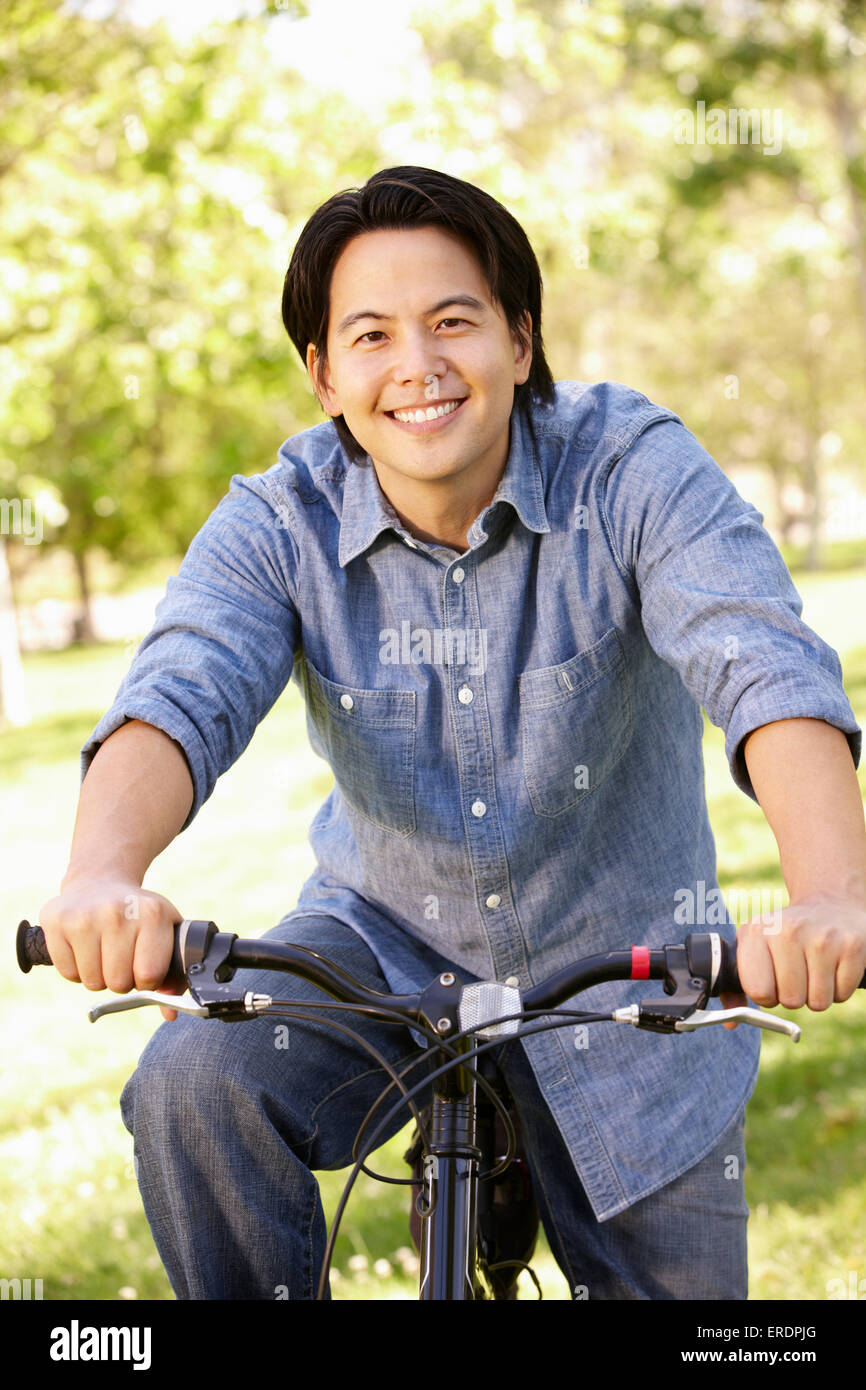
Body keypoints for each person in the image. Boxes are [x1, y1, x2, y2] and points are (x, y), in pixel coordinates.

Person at [40, 165, 866, 1301]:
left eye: (452, 321)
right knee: (197, 1082)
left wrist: (826, 895)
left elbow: (762, 664)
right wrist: (101, 874)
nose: (416, 366)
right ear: (324, 376)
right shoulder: (279, 518)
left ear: (519, 343)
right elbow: (181, 690)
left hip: (629, 981)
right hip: (376, 949)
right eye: (370, 335)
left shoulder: (630, 465)